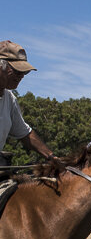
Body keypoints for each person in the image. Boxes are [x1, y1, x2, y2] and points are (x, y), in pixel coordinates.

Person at [0, 41, 57, 172]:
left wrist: (51, 156)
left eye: (24, 73)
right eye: (17, 71)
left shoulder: (9, 99)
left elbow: (25, 134)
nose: (21, 76)